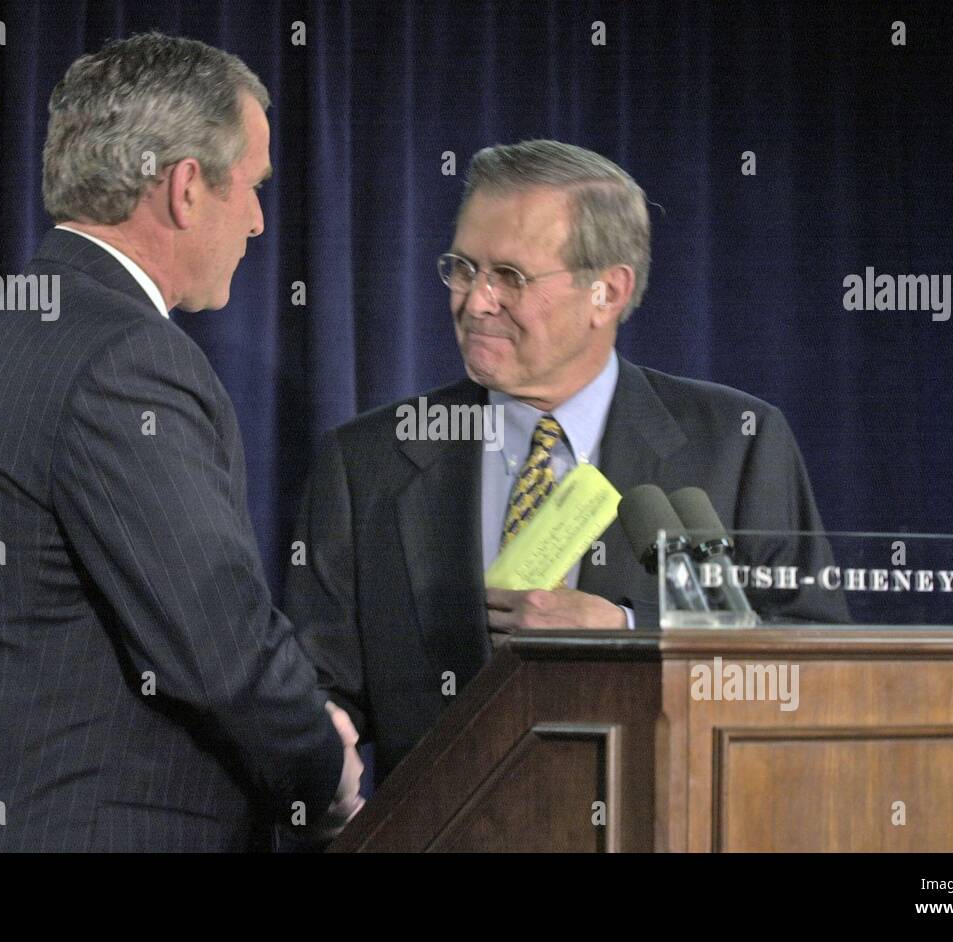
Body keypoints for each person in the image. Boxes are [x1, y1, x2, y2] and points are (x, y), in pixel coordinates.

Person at [0, 33, 361, 852]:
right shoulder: (125, 358)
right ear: (186, 187)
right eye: (253, 188)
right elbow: (220, 647)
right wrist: (326, 768)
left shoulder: (0, 333)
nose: (258, 222)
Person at [285, 140, 848, 785]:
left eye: (510, 277)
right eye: (463, 268)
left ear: (607, 291)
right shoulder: (366, 464)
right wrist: (327, 756)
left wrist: (632, 637)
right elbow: (317, 689)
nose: (475, 302)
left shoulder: (739, 443)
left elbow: (811, 668)